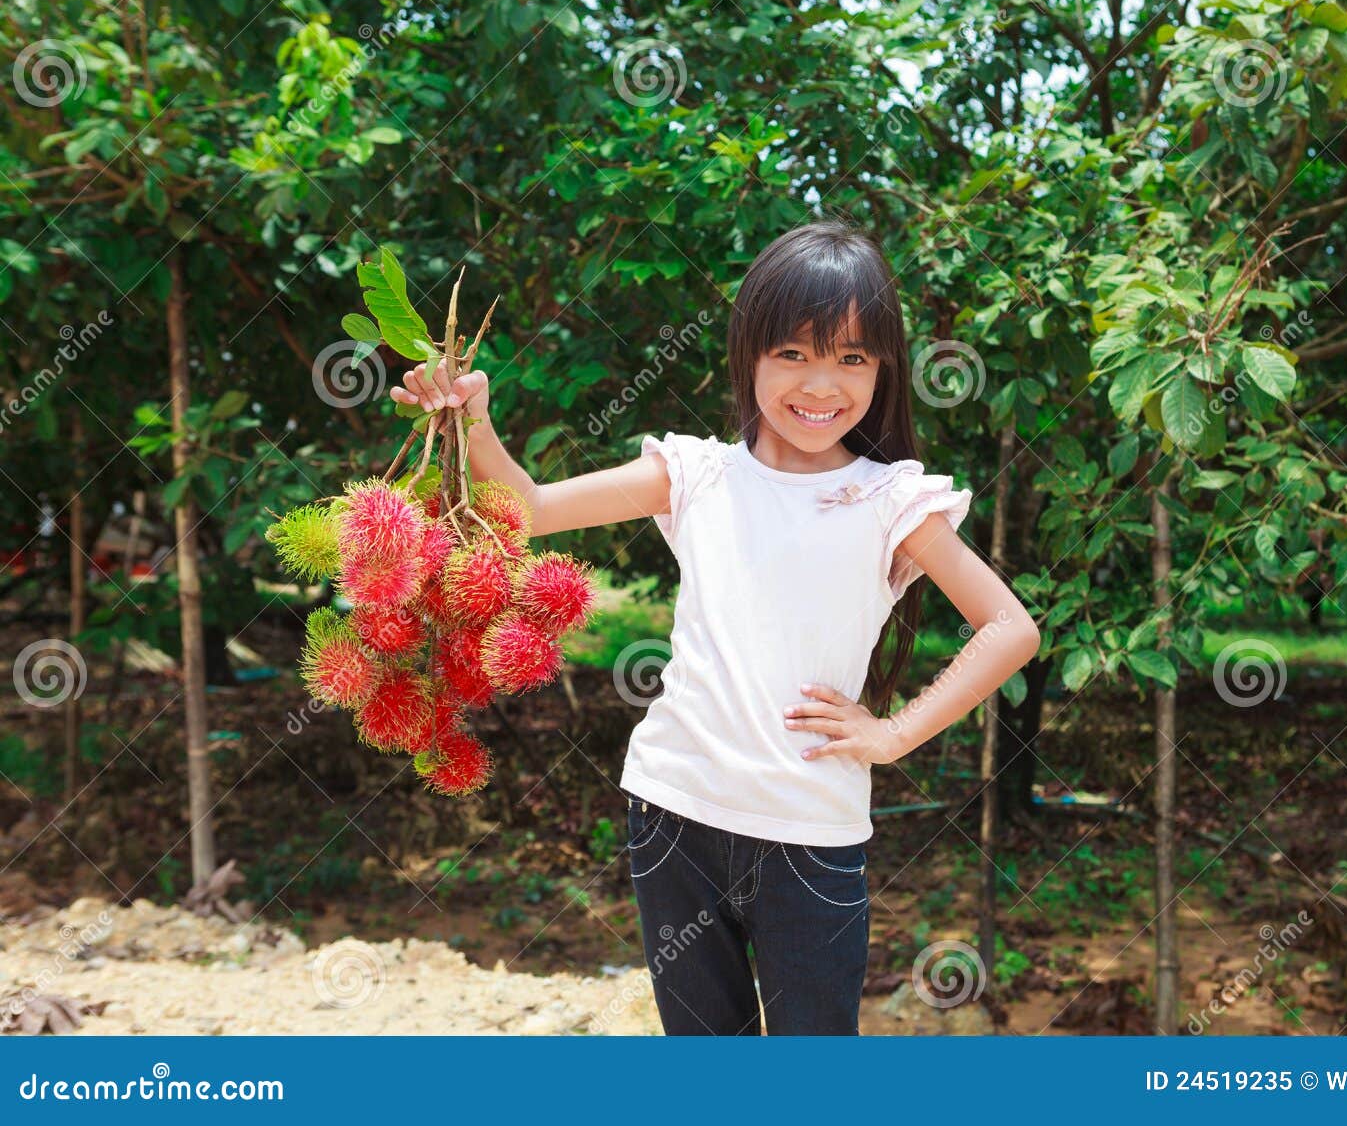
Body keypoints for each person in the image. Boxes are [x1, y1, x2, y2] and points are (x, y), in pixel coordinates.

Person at [390, 219, 1040, 1034]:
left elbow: (1009, 626)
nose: (822, 384)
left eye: (852, 357)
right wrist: (471, 418)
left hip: (810, 834)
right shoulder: (696, 472)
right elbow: (532, 509)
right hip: (674, 813)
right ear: (750, 354)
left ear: (884, 370)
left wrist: (895, 733)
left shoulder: (891, 501)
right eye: (794, 353)